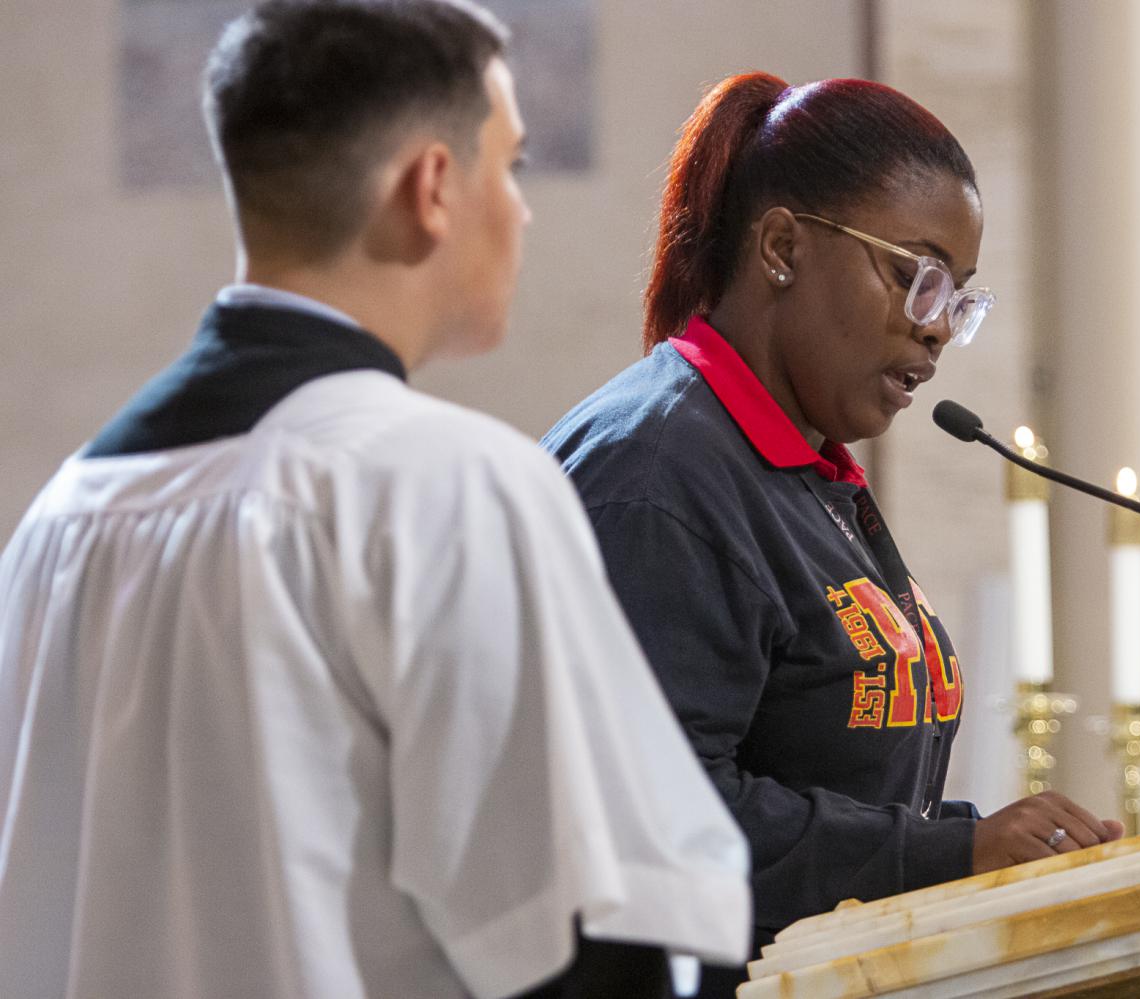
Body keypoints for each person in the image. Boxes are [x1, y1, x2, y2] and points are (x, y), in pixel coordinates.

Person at [0, 3, 748, 997]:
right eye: (512, 167)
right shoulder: (441, 487)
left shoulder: (58, 518)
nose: (521, 212)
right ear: (432, 186)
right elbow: (578, 941)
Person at [541, 71, 1124, 970]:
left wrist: (1004, 847)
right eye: (914, 277)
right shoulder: (658, 473)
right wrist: (950, 855)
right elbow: (648, 821)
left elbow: (823, 779)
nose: (936, 329)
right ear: (781, 246)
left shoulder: (799, 469)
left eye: (957, 297)